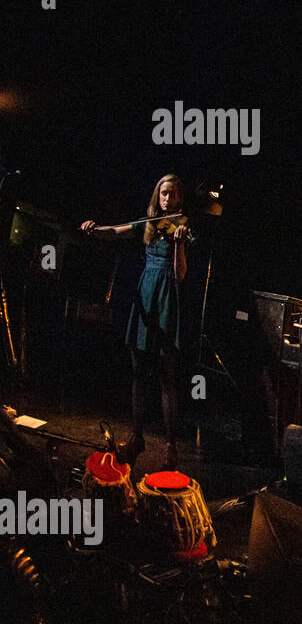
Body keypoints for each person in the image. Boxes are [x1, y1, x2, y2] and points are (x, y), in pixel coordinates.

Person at [81, 174, 193, 467]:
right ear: (158, 196)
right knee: (138, 372)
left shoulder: (180, 226)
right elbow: (116, 232)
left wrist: (180, 244)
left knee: (166, 375)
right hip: (146, 292)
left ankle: (170, 446)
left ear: (179, 197)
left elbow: (180, 274)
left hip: (166, 294)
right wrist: (95, 230)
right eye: (163, 194)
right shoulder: (149, 225)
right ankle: (137, 438)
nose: (167, 199)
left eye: (171, 194)